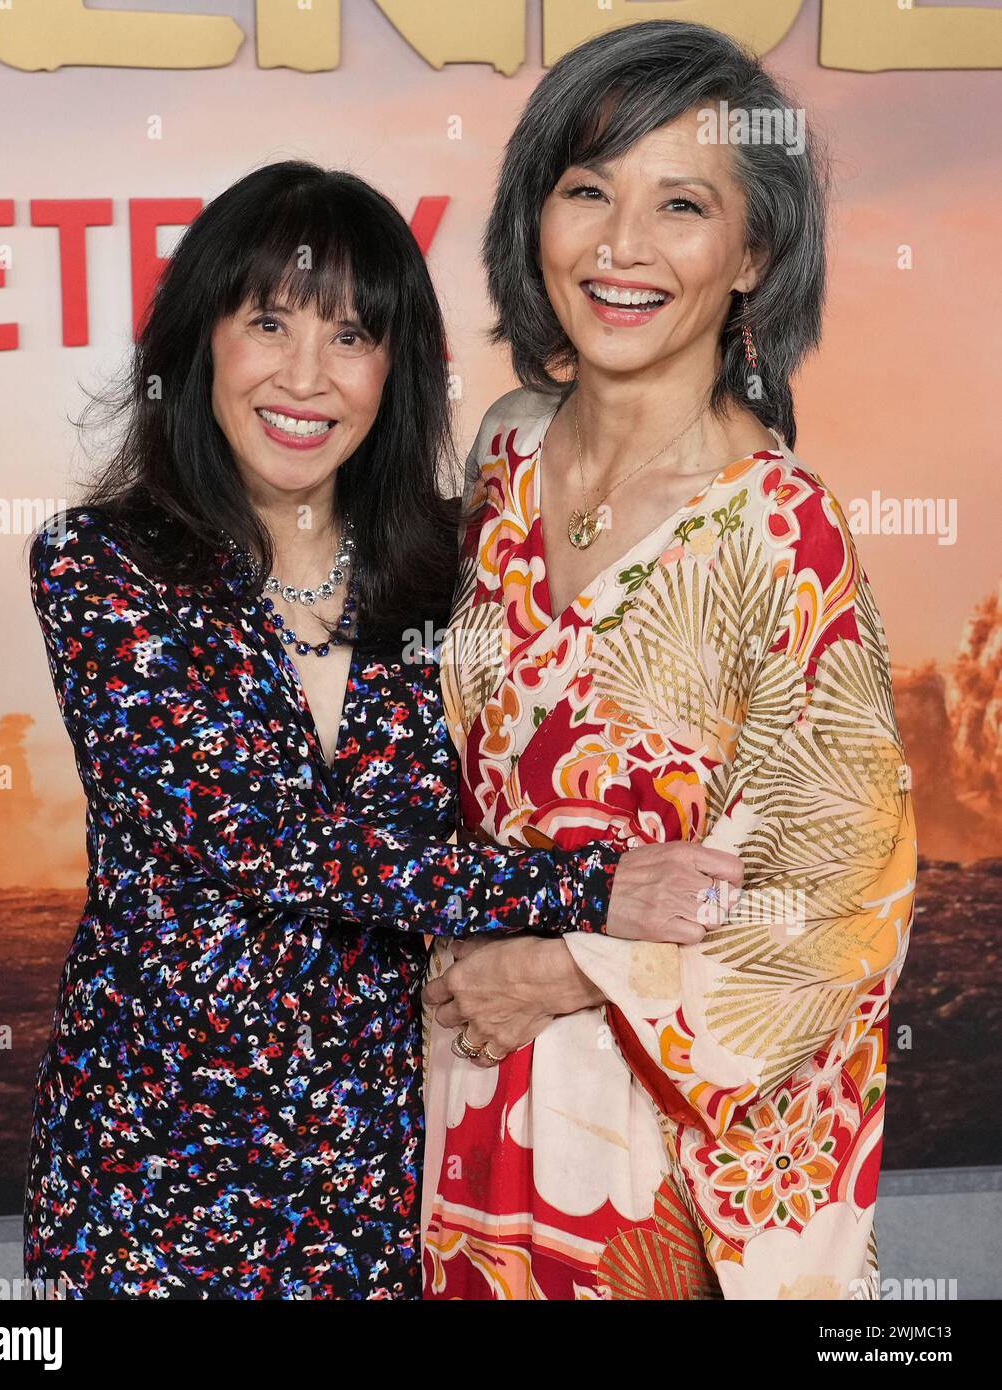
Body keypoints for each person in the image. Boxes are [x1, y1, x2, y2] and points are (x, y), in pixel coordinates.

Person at [23, 160, 740, 1299]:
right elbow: (256, 839)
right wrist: (590, 889)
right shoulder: (100, 566)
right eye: (267, 322)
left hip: (384, 1169)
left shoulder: (455, 569)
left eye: (351, 336)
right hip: (147, 1173)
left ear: (393, 370)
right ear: (198, 343)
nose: (305, 377)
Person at [422, 20, 917, 1301]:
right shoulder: (504, 453)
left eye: (679, 204)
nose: (620, 246)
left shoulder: (777, 529)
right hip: (462, 1102)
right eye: (585, 189)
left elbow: (838, 912)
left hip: (646, 1156)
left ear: (751, 254)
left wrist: (550, 968)